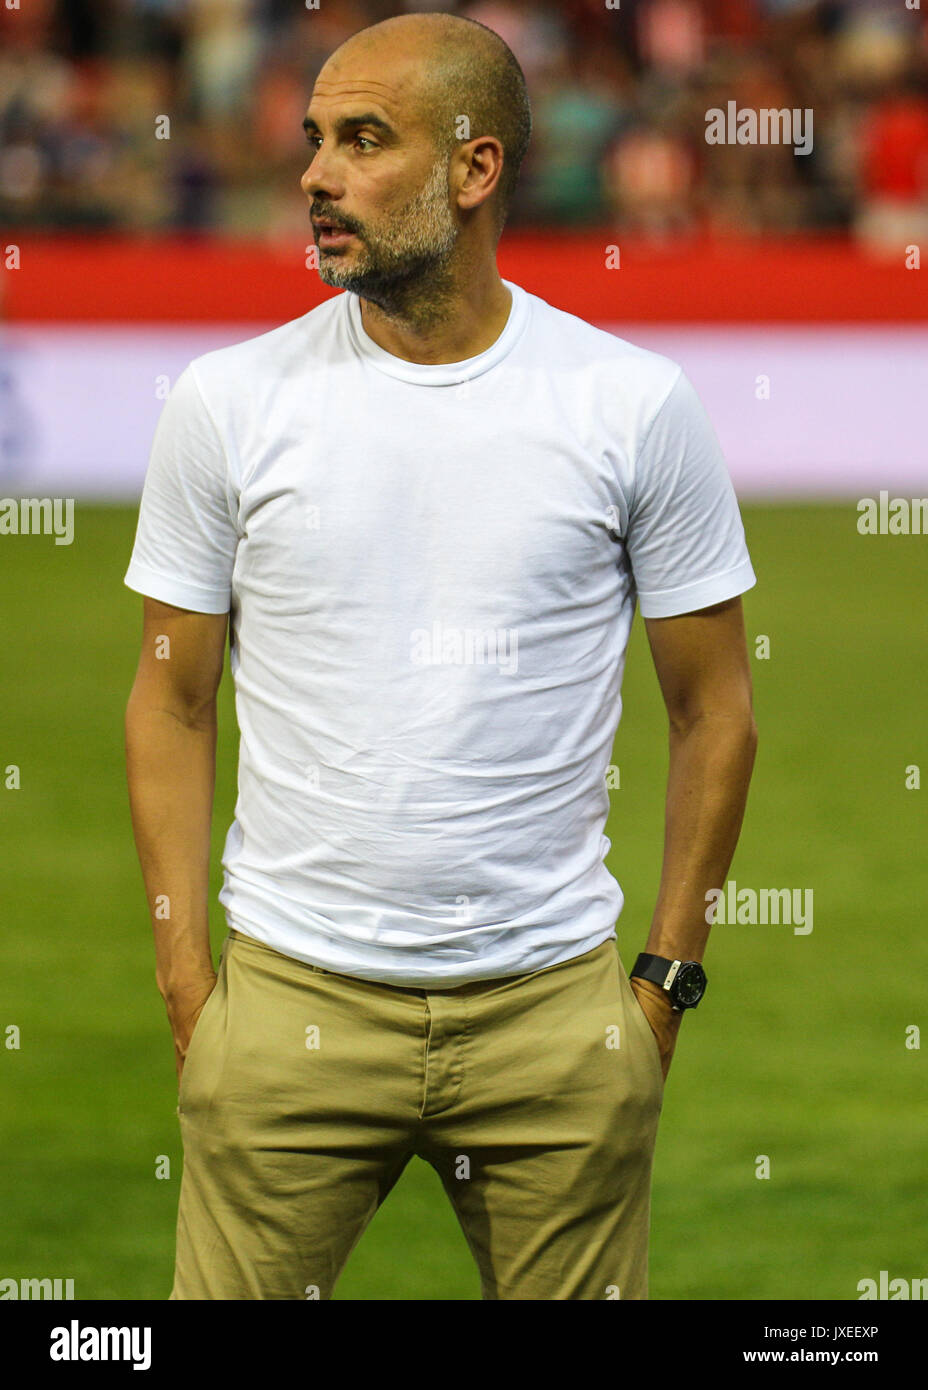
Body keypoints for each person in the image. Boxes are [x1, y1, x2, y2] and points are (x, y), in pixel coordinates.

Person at [124, 11, 757, 1301]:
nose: (315, 175)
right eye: (314, 141)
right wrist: (193, 990)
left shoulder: (631, 404)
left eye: (365, 140)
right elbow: (171, 703)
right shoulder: (225, 404)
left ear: (475, 171)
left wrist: (660, 992)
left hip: (556, 1020)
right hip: (290, 1008)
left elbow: (717, 712)